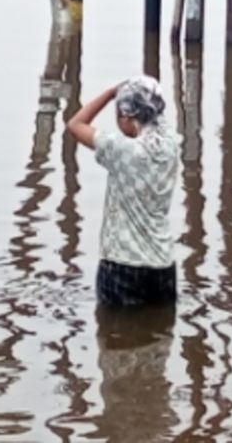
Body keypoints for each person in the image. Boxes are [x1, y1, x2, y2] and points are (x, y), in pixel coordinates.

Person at [67, 77, 179, 309]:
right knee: (160, 336)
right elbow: (155, 111)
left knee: (115, 339)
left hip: (122, 265)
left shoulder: (120, 149)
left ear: (126, 116)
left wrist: (110, 93)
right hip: (163, 265)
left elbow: (75, 125)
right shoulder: (170, 146)